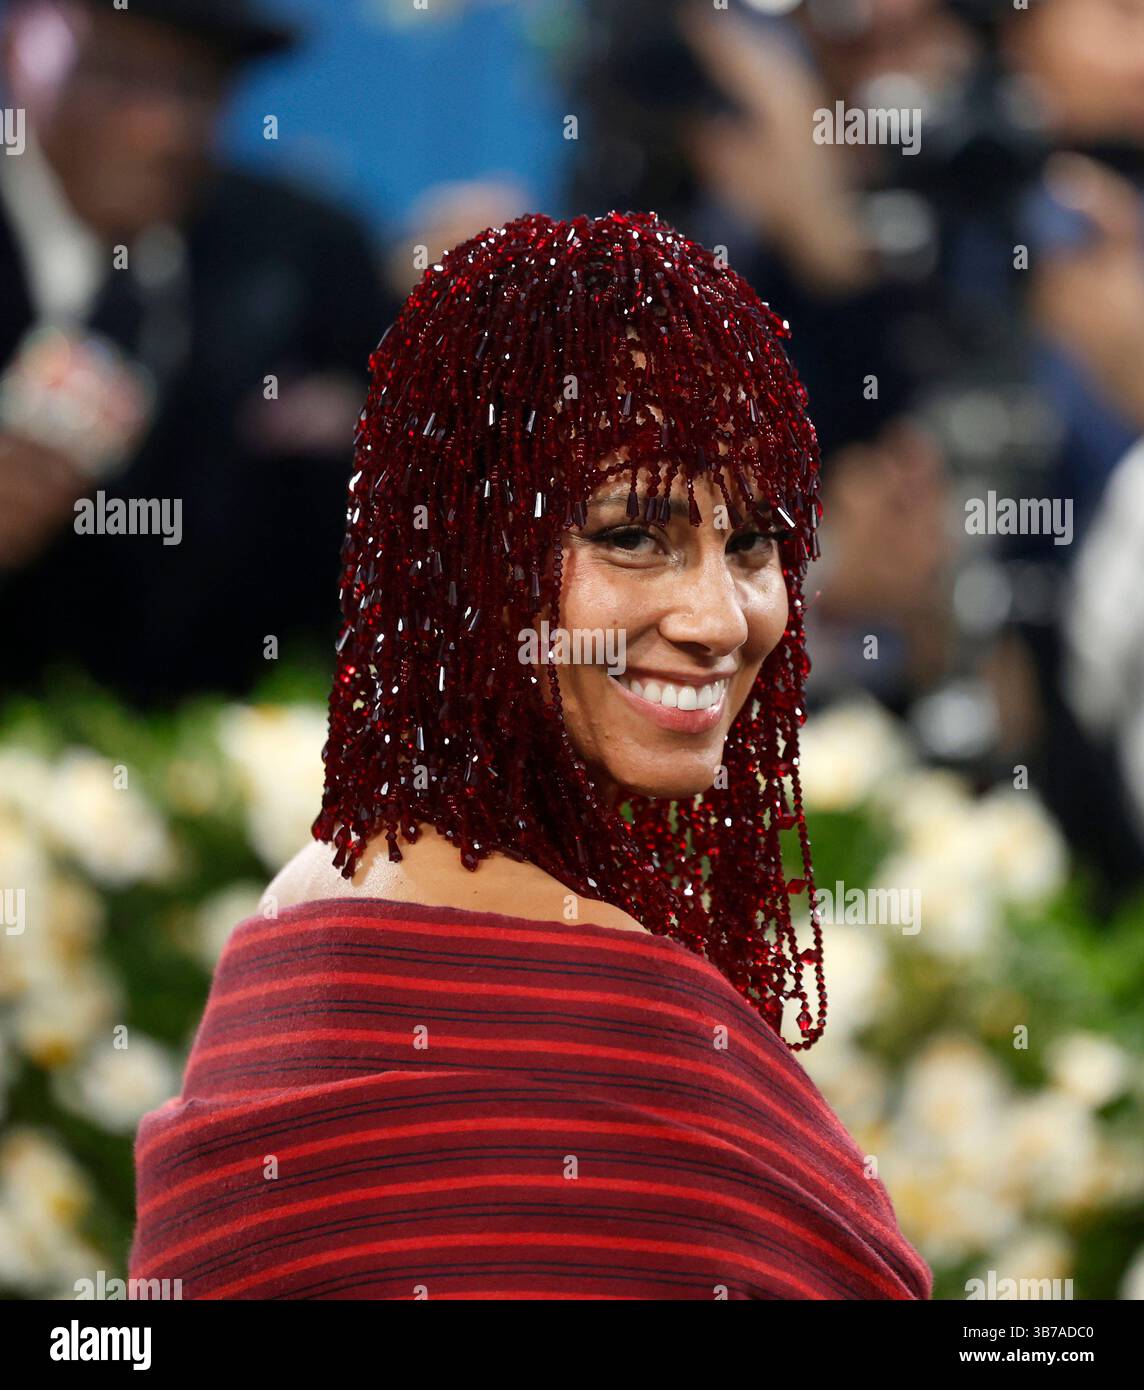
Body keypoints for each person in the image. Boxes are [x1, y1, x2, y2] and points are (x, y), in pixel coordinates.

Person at [128, 210, 932, 1300]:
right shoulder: (649, 1046)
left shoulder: (293, 923)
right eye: (631, 536)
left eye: (751, 543)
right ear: (465, 554)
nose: (716, 617)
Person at [0, 0, 396, 701]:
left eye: (198, 86)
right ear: (18, 49)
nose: (166, 128)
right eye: (120, 75)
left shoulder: (307, 252)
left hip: (223, 757)